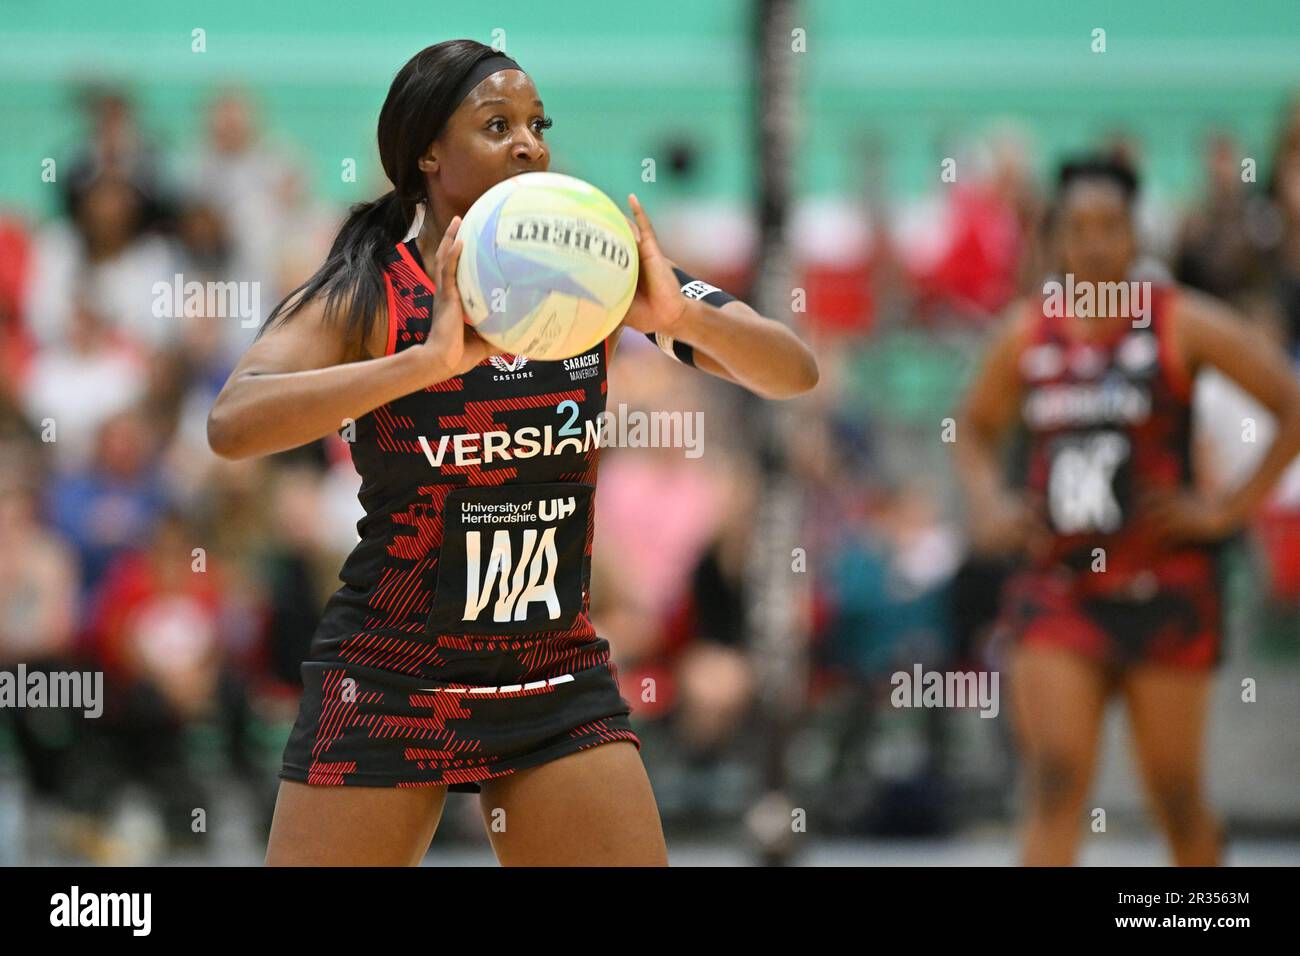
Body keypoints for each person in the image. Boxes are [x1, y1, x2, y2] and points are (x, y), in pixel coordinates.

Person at [206, 39, 819, 866]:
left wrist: (683, 319)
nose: (530, 143)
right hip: (392, 671)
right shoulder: (370, 288)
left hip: (552, 672)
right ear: (426, 152)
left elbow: (793, 371)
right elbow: (233, 423)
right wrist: (420, 364)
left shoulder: (594, 277)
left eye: (537, 124)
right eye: (497, 125)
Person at [955, 157, 1300, 866]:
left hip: (1164, 587)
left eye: (1109, 227)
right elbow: (974, 429)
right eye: (1077, 229)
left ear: (1135, 234)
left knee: (1175, 790)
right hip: (1058, 589)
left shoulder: (1180, 323)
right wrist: (989, 502)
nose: (1093, 245)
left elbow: (1289, 404)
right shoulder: (1028, 334)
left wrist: (1226, 510)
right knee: (1052, 782)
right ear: (1054, 240)